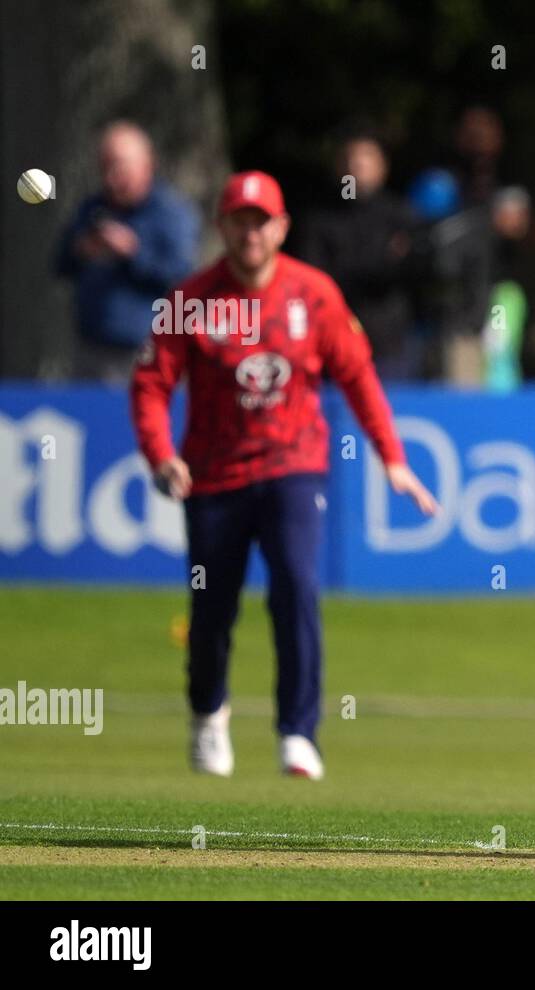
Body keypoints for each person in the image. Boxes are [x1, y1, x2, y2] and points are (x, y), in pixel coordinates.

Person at [130, 171, 437, 781]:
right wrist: (162, 455)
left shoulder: (313, 293)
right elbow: (151, 384)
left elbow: (358, 375)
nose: (250, 232)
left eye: (261, 220)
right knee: (212, 611)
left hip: (295, 468)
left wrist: (393, 457)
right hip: (213, 477)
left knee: (296, 588)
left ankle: (299, 732)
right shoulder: (191, 298)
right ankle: (208, 715)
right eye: (239, 220)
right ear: (222, 226)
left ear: (282, 227)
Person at [55, 121, 199, 383]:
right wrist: (83, 249)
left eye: (119, 166)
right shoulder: (91, 209)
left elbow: (181, 275)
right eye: (105, 166)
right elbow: (61, 265)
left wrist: (133, 253)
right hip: (91, 349)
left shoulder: (170, 213)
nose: (111, 177)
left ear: (145, 165)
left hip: (149, 351)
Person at [297, 127, 422, 379]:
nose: (356, 165)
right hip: (333, 340)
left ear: (382, 165)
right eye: (349, 157)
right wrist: (381, 263)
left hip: (390, 344)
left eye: (365, 156)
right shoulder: (320, 219)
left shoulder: (400, 214)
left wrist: (360, 269)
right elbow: (315, 281)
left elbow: (414, 270)